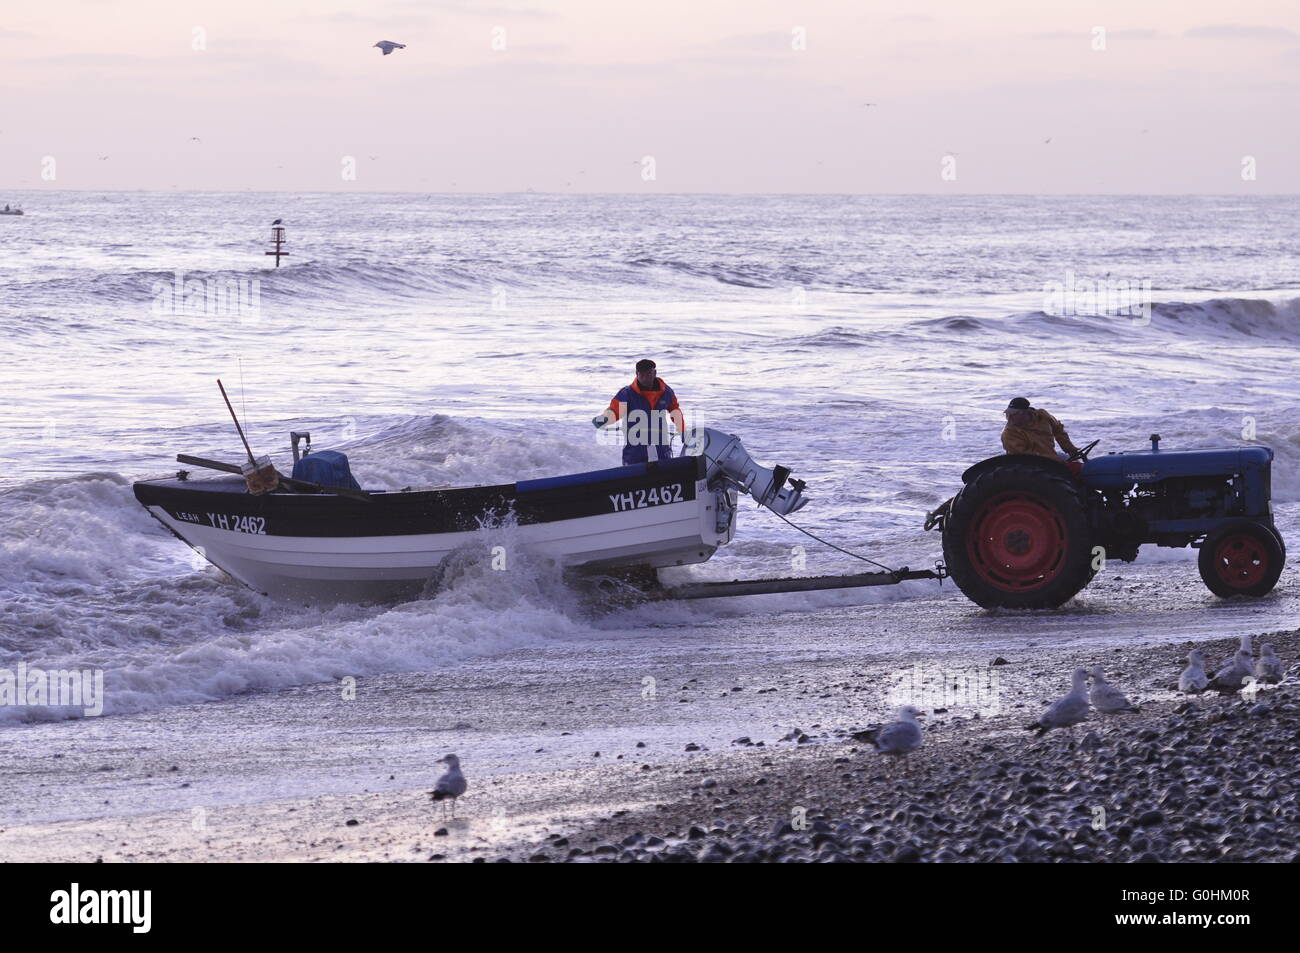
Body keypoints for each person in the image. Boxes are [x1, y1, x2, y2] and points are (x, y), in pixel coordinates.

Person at [593, 359, 686, 465]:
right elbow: (614, 410)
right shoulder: (627, 393)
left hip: (661, 449)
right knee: (634, 476)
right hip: (635, 451)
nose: (645, 377)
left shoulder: (666, 392)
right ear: (636, 374)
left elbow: (675, 410)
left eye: (649, 373)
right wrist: (605, 419)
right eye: (642, 374)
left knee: (664, 473)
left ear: (655, 373)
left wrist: (682, 429)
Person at [1001, 397, 1080, 461]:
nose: (1009, 418)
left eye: (1014, 414)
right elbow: (1024, 456)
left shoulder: (1042, 415)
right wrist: (1055, 459)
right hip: (1028, 464)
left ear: (1026, 413)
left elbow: (1059, 431)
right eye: (1008, 414)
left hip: (1051, 456)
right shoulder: (1009, 433)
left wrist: (1071, 450)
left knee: (1077, 465)